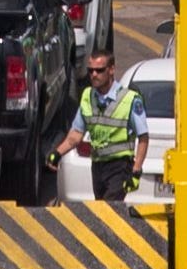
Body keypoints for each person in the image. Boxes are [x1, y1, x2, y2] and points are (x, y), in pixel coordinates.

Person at [47, 52, 147, 201]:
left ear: (111, 70)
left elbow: (143, 137)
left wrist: (136, 170)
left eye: (99, 70)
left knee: (109, 206)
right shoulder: (88, 96)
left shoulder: (129, 99)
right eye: (90, 70)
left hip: (120, 166)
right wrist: (57, 153)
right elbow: (76, 134)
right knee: (101, 206)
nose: (94, 74)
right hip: (98, 166)